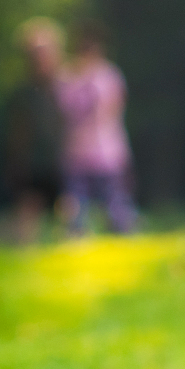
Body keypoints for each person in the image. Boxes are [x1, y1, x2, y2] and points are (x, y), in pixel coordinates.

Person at [48, 23, 136, 235]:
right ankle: (77, 238)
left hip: (108, 151)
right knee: (76, 208)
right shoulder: (67, 79)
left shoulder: (108, 76)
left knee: (116, 206)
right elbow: (61, 112)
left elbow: (112, 111)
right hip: (77, 153)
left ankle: (122, 236)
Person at [11, 18, 68, 243]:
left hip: (65, 159)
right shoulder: (24, 92)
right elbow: (19, 130)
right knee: (28, 211)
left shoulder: (68, 85)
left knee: (68, 211)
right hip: (34, 162)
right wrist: (16, 161)